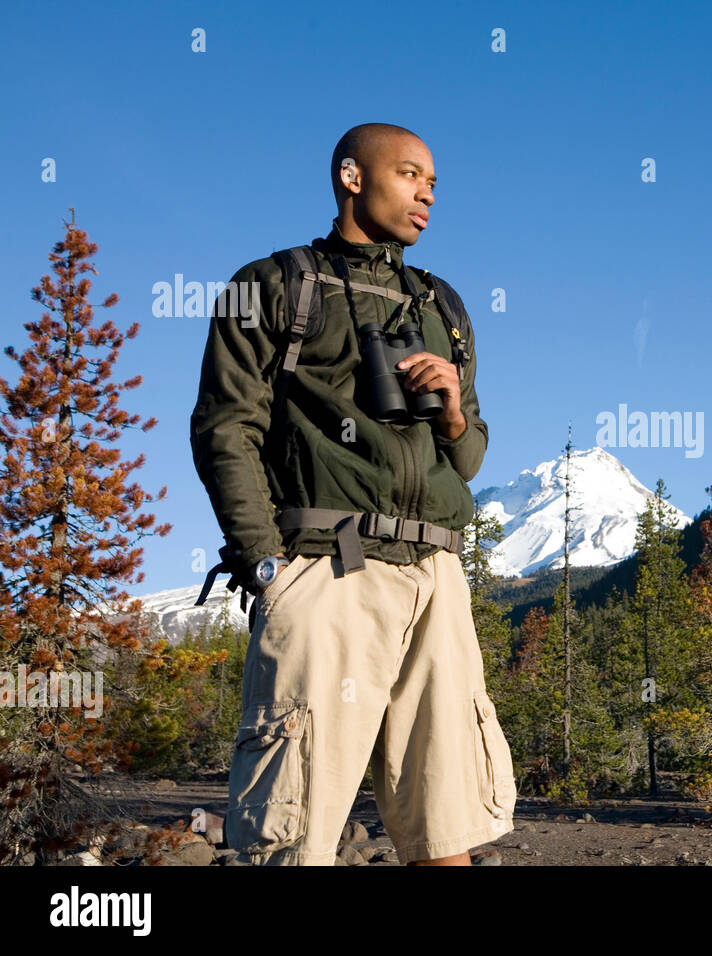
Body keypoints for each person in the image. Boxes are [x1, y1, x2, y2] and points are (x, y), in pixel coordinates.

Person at [190, 123, 516, 866]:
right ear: (351, 177)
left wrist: (455, 409)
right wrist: (265, 565)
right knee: (289, 830)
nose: (427, 191)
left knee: (448, 825)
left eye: (433, 180)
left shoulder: (444, 306)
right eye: (408, 173)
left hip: (436, 574)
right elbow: (224, 427)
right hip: (326, 567)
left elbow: (464, 460)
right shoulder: (272, 285)